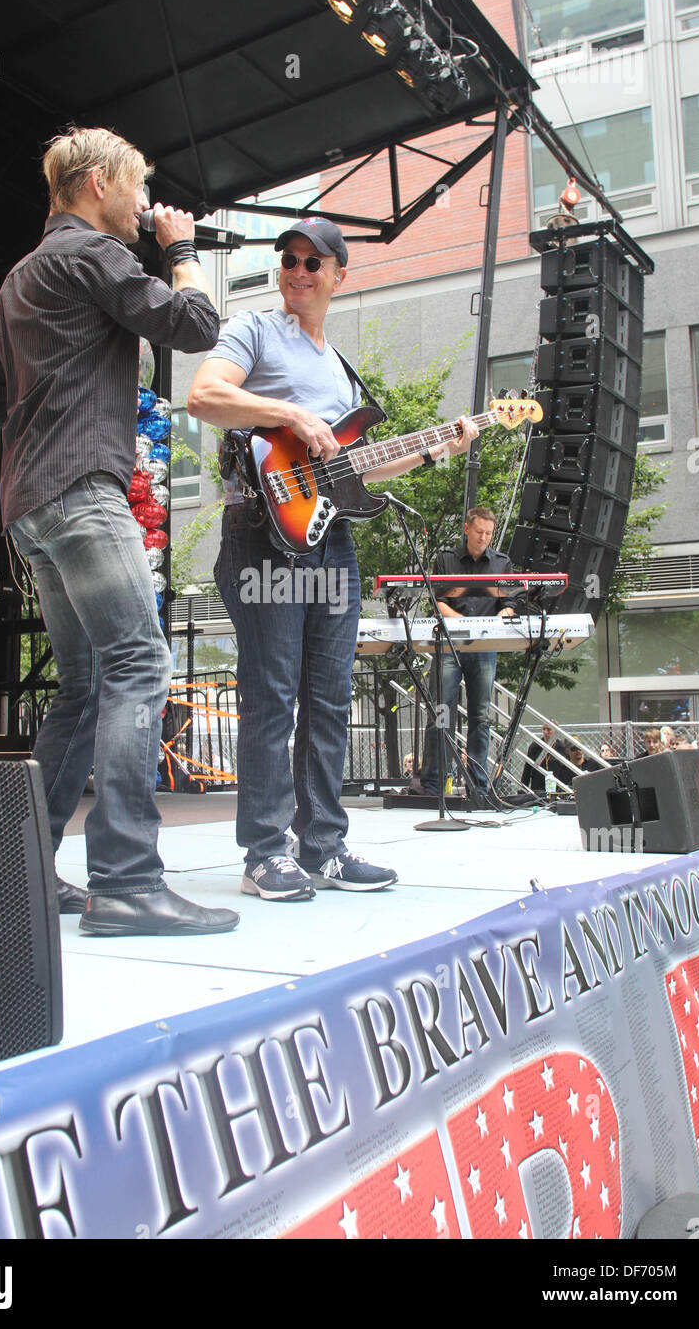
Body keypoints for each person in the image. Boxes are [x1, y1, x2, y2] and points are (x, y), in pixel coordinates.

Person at [0, 125, 239, 937]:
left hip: (30, 507)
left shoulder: (17, 281)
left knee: (85, 683)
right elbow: (195, 325)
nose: (143, 204)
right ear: (95, 186)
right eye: (136, 187)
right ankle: (126, 881)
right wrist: (183, 248)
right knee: (138, 663)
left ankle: (27, 871)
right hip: (83, 494)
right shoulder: (94, 255)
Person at [188, 217, 477, 900]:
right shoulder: (253, 330)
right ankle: (265, 851)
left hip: (330, 541)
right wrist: (288, 416)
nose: (297, 270)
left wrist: (440, 446)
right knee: (274, 694)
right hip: (261, 533)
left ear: (339, 276)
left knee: (328, 697)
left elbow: (355, 471)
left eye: (313, 262)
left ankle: (325, 847)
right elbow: (204, 396)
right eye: (288, 259)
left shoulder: (343, 373)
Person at [419, 507, 515, 799]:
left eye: (489, 533)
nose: (484, 538)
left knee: (481, 717)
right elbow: (437, 602)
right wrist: (465, 624)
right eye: (479, 532)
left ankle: (478, 786)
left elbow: (509, 604)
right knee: (441, 713)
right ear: (466, 529)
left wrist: (493, 625)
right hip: (450, 644)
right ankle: (433, 785)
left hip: (485, 648)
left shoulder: (502, 563)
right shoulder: (446, 559)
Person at [520, 722, 558, 794]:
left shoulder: (561, 747)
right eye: (543, 729)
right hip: (537, 789)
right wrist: (523, 790)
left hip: (556, 789)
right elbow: (527, 770)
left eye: (548, 730)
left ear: (555, 731)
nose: (545, 732)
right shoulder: (534, 746)